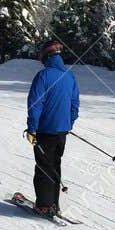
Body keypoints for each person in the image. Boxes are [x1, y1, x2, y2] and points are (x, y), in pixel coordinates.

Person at [25, 40, 79, 218]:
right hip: (62, 132)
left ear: (46, 56)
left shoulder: (43, 76)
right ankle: (54, 203)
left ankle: (44, 205)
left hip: (45, 131)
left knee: (43, 167)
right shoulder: (70, 76)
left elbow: (35, 104)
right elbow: (74, 105)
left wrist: (32, 129)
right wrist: (68, 124)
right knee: (55, 165)